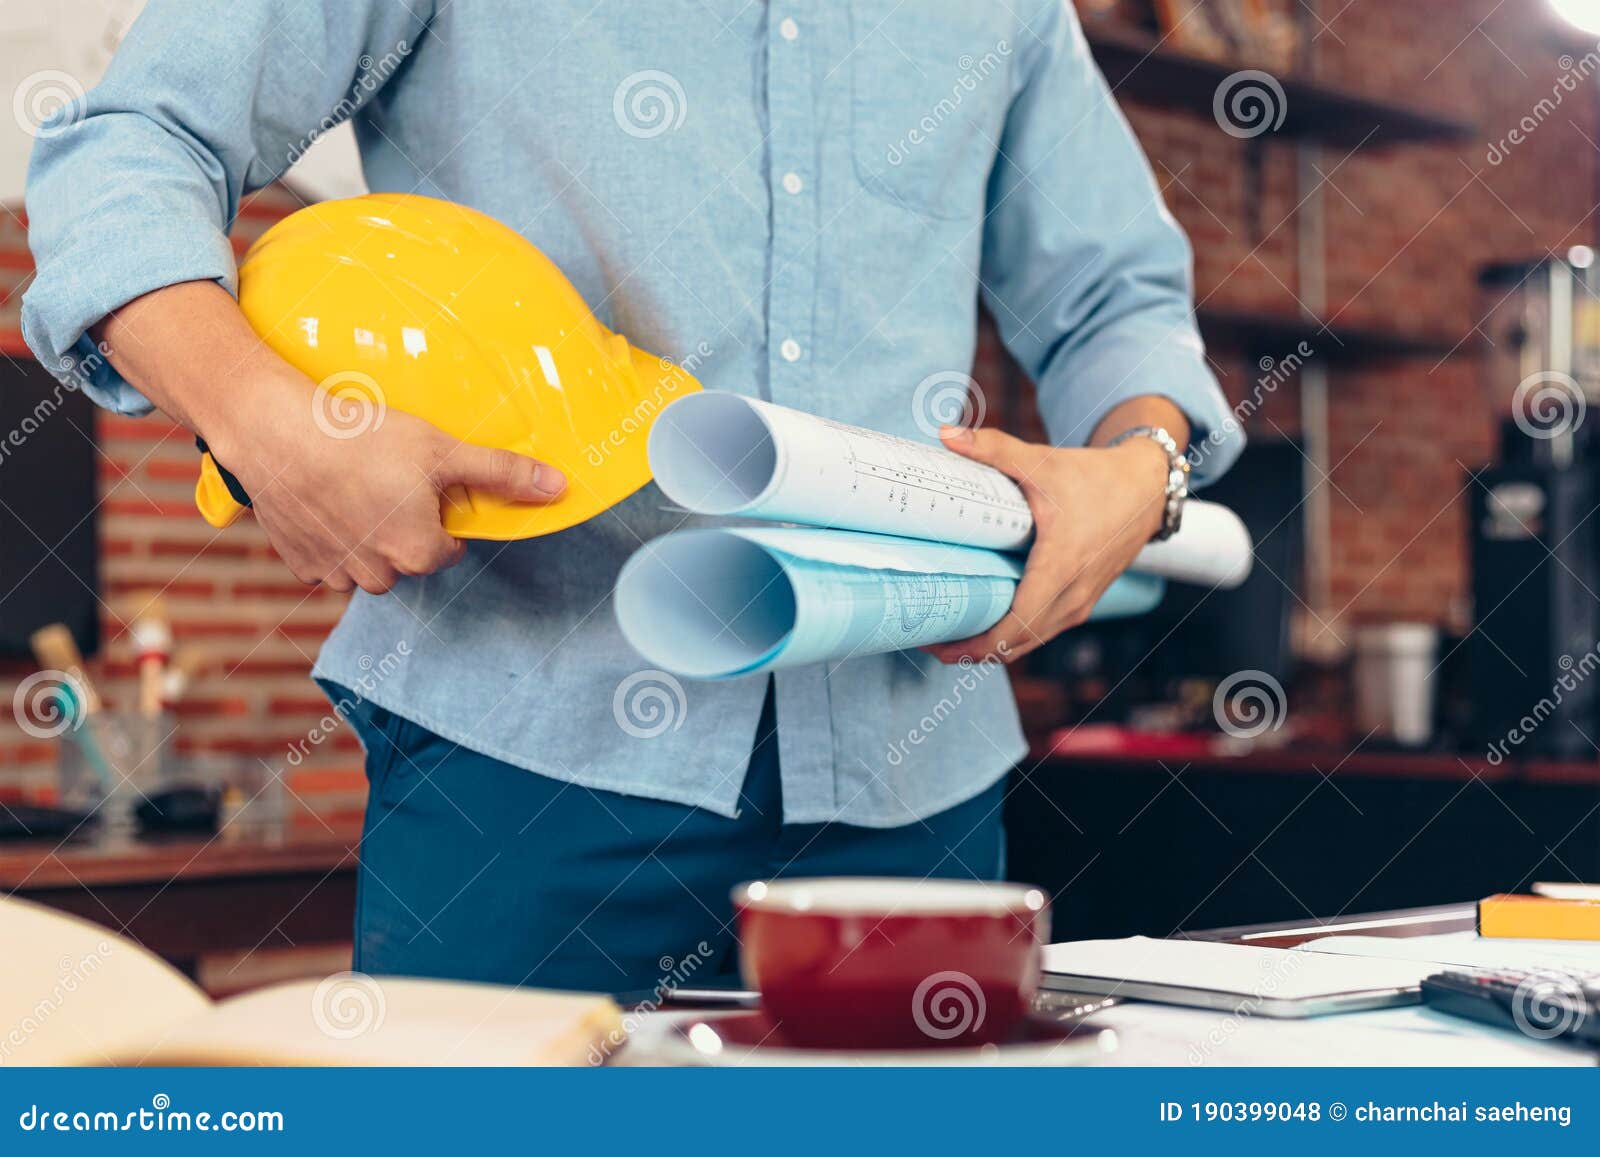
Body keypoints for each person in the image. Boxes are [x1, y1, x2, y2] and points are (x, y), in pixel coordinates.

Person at [23, 1, 1242, 992]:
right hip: (524, 767)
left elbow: (1116, 298)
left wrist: (1141, 470)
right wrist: (256, 414)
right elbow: (132, 142)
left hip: (912, 772)